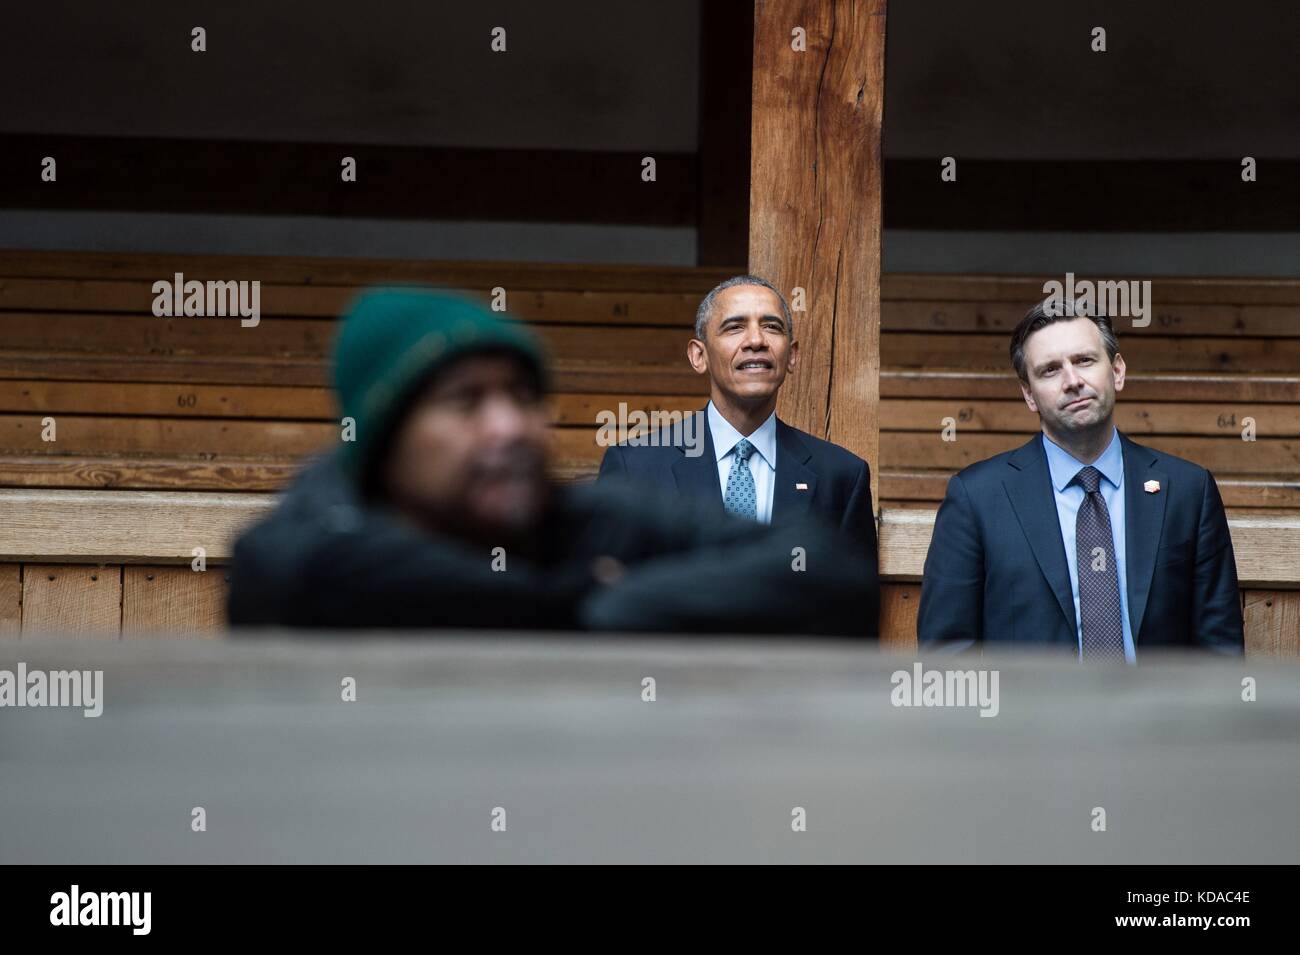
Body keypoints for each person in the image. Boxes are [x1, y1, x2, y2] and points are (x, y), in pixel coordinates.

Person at [227, 288, 877, 636]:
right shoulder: (308, 544)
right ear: (385, 440)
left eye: (522, 396)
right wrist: (579, 595)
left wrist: (610, 607)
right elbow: (307, 572)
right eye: (465, 402)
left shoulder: (569, 517)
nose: (509, 426)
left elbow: (833, 573)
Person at [917, 295, 1244, 659]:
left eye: (1084, 360)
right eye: (1050, 370)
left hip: (1158, 715)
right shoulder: (976, 498)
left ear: (1117, 371)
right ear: (1029, 394)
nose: (1072, 381)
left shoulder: (1188, 491)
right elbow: (946, 655)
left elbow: (1221, 652)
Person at [595, 275, 879, 633]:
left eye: (771, 327)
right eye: (734, 327)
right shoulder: (634, 464)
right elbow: (609, 604)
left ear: (791, 356)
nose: (756, 341)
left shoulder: (842, 475)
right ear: (699, 356)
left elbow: (855, 619)